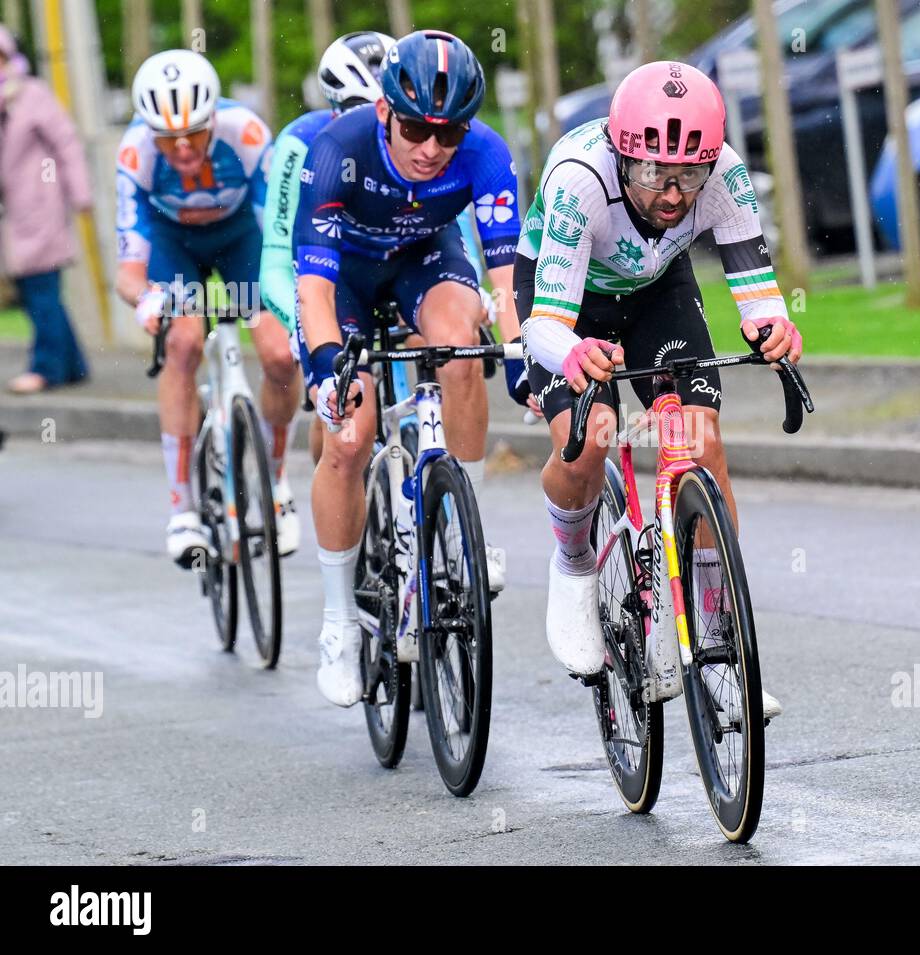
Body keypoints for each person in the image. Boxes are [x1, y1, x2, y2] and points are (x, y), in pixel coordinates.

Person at [515, 61, 804, 719]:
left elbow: (758, 294)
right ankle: (574, 561)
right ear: (622, 155)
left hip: (656, 292)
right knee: (589, 443)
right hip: (567, 302)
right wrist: (574, 352)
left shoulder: (724, 173)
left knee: (700, 441)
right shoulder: (579, 181)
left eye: (688, 176)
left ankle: (720, 637)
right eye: (652, 173)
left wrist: (777, 329)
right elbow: (544, 327)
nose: (673, 194)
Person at [294, 30, 522, 706]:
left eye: (448, 133)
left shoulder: (486, 154)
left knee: (460, 344)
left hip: (425, 256)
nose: (431, 148)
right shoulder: (338, 151)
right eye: (418, 128)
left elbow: (506, 279)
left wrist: (517, 355)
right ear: (387, 112)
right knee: (349, 436)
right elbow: (313, 290)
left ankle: (461, 524)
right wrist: (331, 364)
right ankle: (339, 621)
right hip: (348, 279)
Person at [115, 49, 301, 565]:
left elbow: (279, 237)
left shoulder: (248, 136)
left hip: (245, 240)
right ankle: (183, 509)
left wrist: (282, 299)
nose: (180, 148)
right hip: (173, 246)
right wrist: (148, 299)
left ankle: (277, 482)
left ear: (213, 119)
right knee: (183, 342)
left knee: (281, 355)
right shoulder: (135, 153)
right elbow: (129, 270)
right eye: (166, 137)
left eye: (193, 134)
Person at [260, 30, 395, 465]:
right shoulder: (300, 142)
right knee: (338, 417)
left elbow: (452, 230)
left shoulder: (416, 146)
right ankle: (335, 501)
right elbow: (277, 264)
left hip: (390, 269)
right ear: (334, 108)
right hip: (325, 273)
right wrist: (303, 325)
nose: (372, 127)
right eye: (359, 112)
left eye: (391, 113)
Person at [0, 26, 93, 395]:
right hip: (14, 214)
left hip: (42, 204)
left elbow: (66, 142)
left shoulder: (32, 95)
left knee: (41, 287)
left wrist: (81, 195)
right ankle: (73, 365)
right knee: (40, 290)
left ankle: (46, 368)